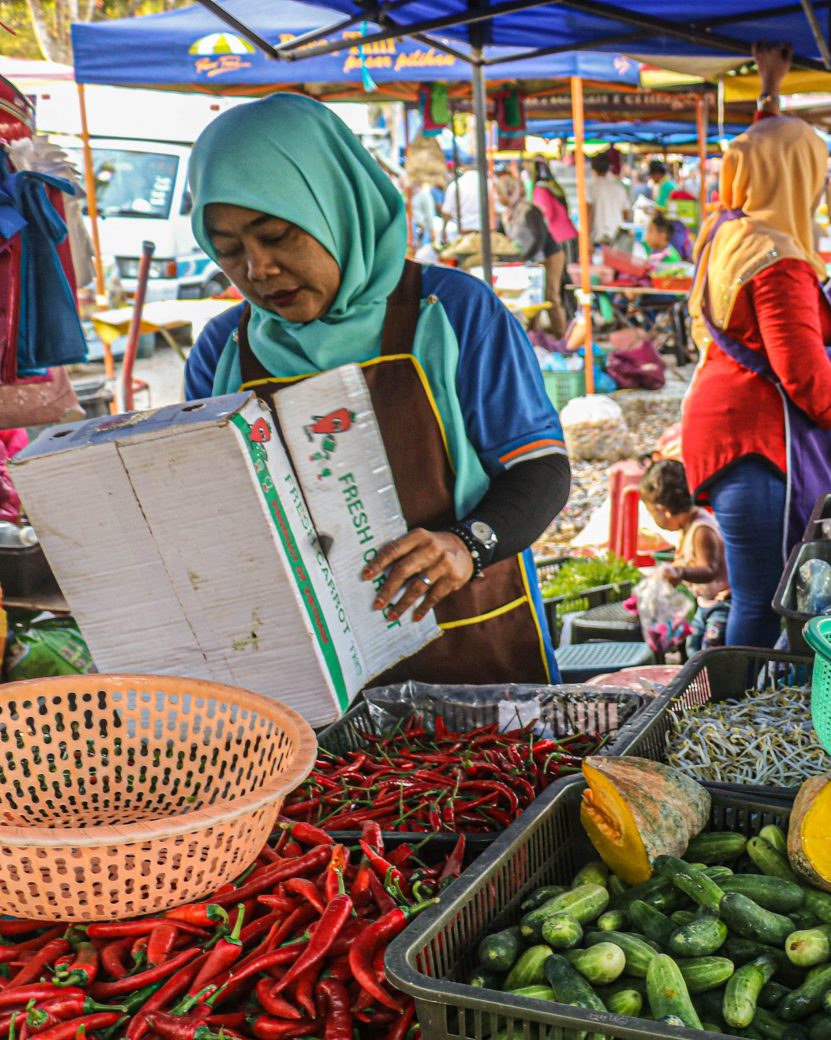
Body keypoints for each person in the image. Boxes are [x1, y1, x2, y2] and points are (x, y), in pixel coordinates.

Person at [183, 93, 569, 683]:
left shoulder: (450, 311)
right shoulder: (223, 350)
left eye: (278, 234)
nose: (258, 269)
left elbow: (540, 470)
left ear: (335, 207)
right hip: (305, 676)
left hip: (470, 650)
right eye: (229, 251)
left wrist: (465, 545)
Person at [680, 43, 831, 650]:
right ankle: (733, 706)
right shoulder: (780, 261)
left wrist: (771, 90)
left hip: (727, 426)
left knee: (757, 594)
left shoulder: (728, 228)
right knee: (766, 601)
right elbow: (803, 373)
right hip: (760, 442)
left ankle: (737, 700)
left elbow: (760, 151)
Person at [640, 460, 730, 655]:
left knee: (710, 651)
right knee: (693, 646)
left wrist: (680, 572)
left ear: (663, 510)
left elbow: (709, 570)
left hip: (721, 605)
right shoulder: (688, 526)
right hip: (705, 603)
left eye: (651, 513)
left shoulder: (702, 530)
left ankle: (713, 676)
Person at [495, 171, 567, 337]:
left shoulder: (529, 210)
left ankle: (561, 334)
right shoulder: (508, 214)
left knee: (550, 295)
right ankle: (533, 333)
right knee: (531, 296)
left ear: (510, 193)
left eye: (500, 194)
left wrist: (525, 259)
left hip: (549, 256)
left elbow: (540, 237)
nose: (498, 198)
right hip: (530, 259)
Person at [402, 137, 445, 250]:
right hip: (414, 230)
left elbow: (429, 215)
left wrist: (432, 233)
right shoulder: (414, 194)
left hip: (420, 230)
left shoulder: (423, 194)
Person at [587, 150, 633, 251]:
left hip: (598, 237)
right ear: (609, 167)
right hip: (617, 236)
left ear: (592, 168)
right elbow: (626, 214)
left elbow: (586, 213)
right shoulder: (619, 186)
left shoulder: (590, 186)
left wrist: (586, 240)